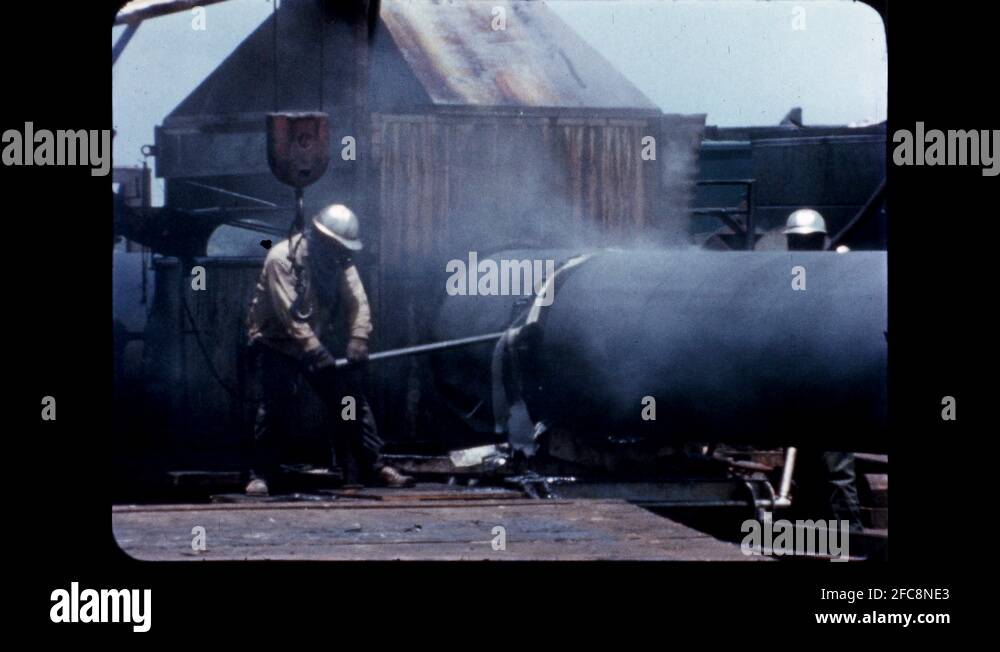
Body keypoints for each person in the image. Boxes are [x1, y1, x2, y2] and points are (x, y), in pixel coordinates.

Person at [244, 203, 413, 495]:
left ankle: (373, 465)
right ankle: (263, 474)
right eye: (335, 245)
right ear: (321, 238)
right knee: (276, 406)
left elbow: (356, 300)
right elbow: (289, 316)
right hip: (277, 342)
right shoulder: (281, 259)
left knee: (348, 401)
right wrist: (313, 349)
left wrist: (358, 337)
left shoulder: (339, 260)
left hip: (316, 340)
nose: (339, 251)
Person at [784, 208, 864, 530]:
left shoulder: (840, 274)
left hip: (830, 387)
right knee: (807, 470)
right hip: (805, 387)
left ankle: (851, 536)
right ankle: (810, 535)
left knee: (837, 470)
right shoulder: (789, 277)